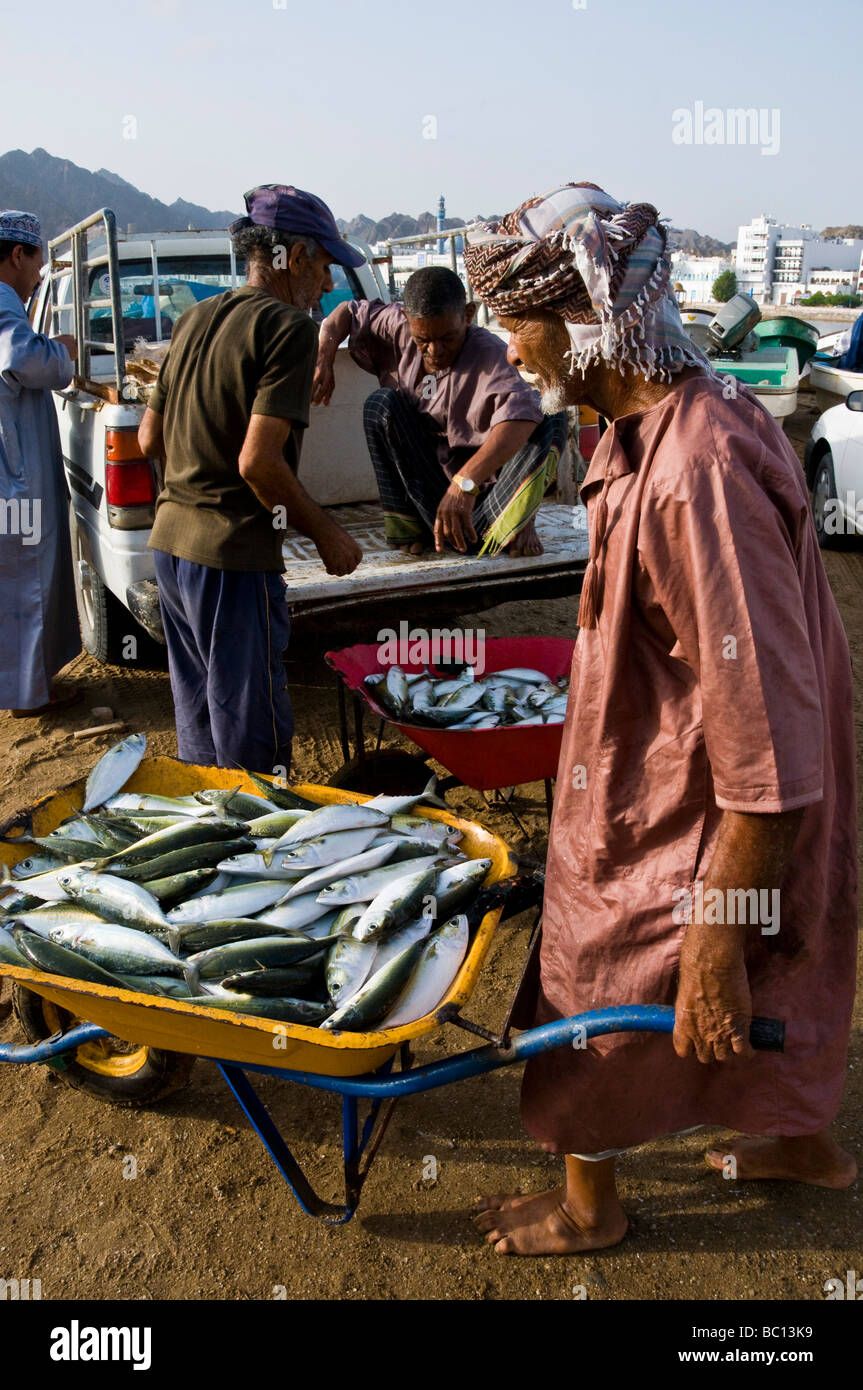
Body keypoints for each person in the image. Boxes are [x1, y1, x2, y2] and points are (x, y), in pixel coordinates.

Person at [461, 182, 858, 1255]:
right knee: (785, 967)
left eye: (517, 321)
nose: (508, 348)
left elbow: (766, 743)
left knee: (602, 976)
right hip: (694, 768)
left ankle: (588, 1208)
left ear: (584, 316)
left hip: (708, 802)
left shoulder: (696, 472)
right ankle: (795, 1140)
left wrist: (715, 932)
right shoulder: (671, 414)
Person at [138, 184, 363, 774]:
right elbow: (259, 463)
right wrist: (326, 534)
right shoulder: (287, 329)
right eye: (327, 264)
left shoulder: (191, 320)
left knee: (201, 712)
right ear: (298, 254)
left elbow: (147, 440)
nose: (327, 281)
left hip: (169, 548)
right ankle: (259, 846)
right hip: (232, 556)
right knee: (248, 721)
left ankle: (218, 838)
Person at [312, 265, 567, 557]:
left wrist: (464, 484)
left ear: (468, 316)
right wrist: (324, 357)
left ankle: (517, 522)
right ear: (406, 320)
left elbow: (522, 417)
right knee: (380, 404)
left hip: (482, 504)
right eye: (423, 341)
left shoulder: (489, 354)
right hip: (434, 502)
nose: (434, 351)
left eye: (447, 338)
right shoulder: (398, 323)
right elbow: (346, 312)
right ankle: (410, 530)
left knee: (551, 412)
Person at [0, 210, 81, 717]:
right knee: (27, 580)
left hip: (12, 471)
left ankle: (21, 688)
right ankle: (29, 696)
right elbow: (25, 360)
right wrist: (64, 351)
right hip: (15, 480)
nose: (38, 275)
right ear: (17, 255)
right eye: (36, 262)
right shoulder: (3, 302)